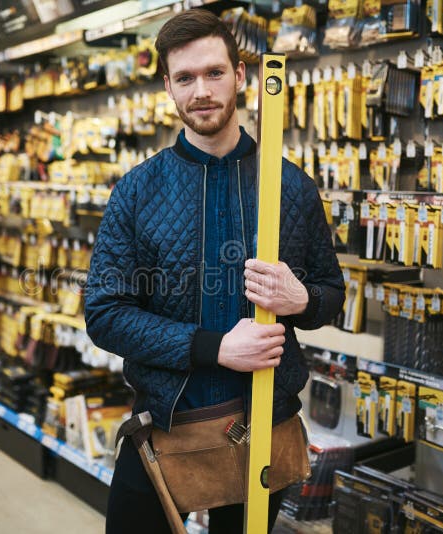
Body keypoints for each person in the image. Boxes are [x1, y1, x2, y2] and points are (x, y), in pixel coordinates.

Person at [85, 9, 344, 534]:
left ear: (241, 75)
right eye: (185, 78)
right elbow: (104, 314)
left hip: (256, 428)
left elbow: (331, 294)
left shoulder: (291, 187)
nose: (200, 90)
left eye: (213, 73)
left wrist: (303, 301)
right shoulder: (137, 191)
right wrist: (215, 347)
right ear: (168, 87)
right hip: (165, 424)